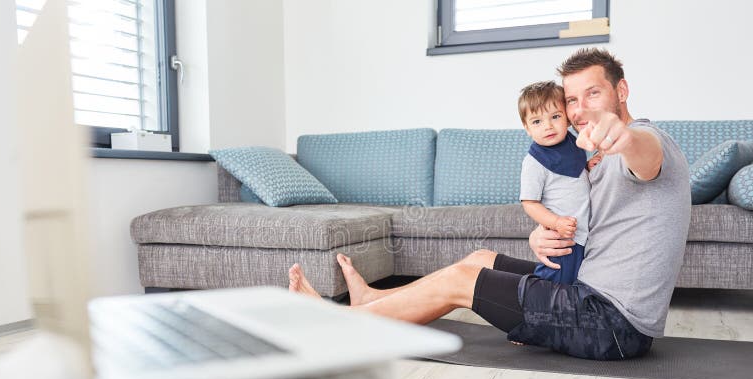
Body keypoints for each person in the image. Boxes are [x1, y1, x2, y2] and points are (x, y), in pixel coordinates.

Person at [288, 48, 691, 361]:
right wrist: (540, 233)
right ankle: (371, 301)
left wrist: (621, 135)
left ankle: (337, 326)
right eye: (571, 100)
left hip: (612, 324)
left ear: (621, 91)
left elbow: (645, 155)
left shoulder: (647, 142)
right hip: (583, 287)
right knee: (479, 259)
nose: (580, 109)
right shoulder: (592, 160)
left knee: (461, 283)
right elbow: (585, 221)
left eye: (593, 94)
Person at [517, 80, 590, 284]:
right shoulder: (534, 162)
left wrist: (590, 167)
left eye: (555, 116)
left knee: (580, 283)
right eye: (537, 121)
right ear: (527, 128)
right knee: (555, 283)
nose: (548, 126)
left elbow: (578, 178)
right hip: (562, 237)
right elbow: (530, 203)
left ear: (567, 118)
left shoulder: (575, 144)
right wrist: (556, 222)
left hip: (585, 234)